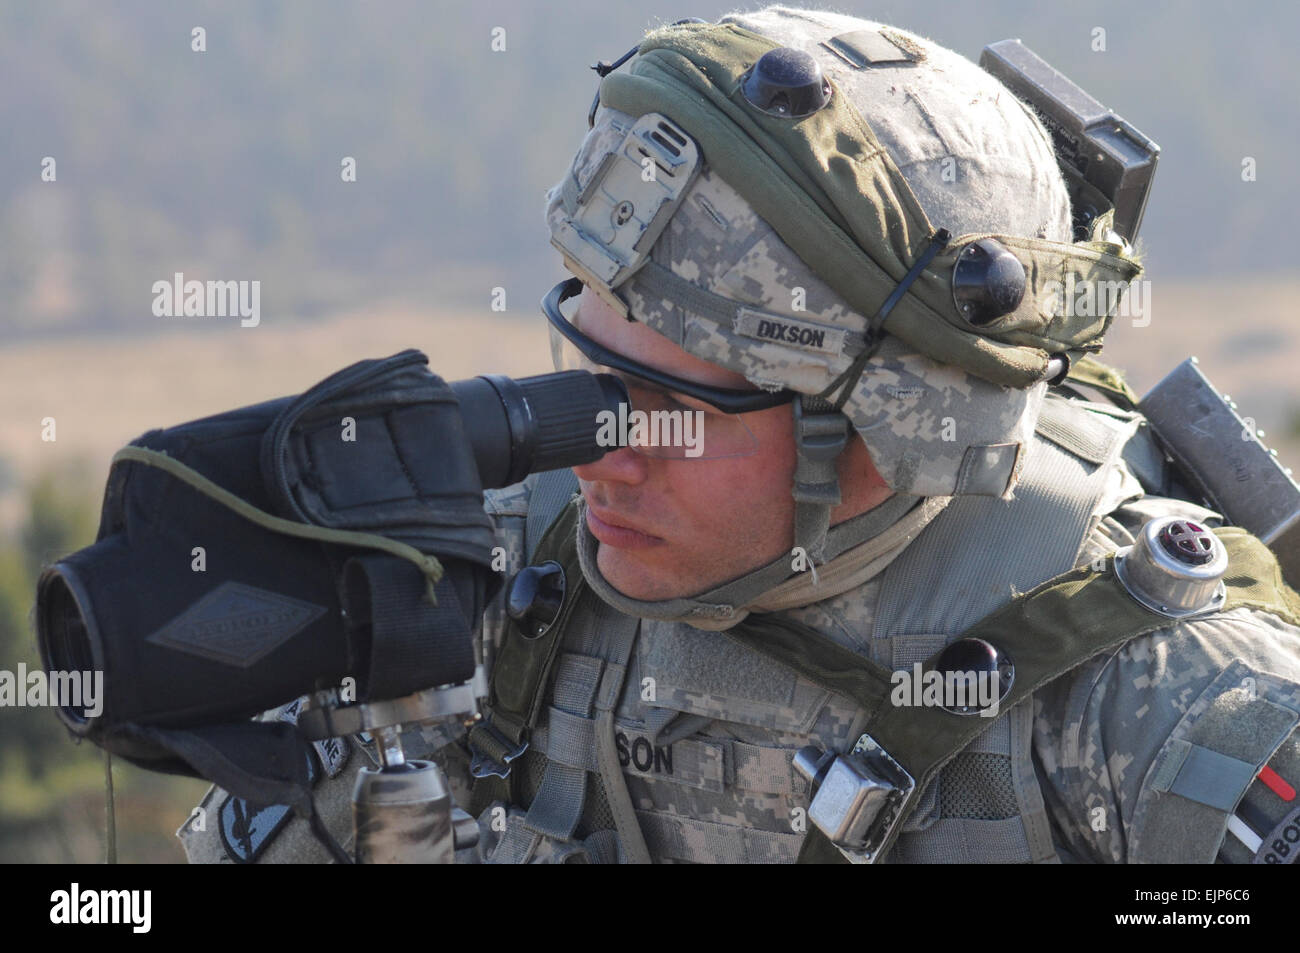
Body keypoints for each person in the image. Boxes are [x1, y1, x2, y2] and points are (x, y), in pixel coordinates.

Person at [179, 6, 1300, 864]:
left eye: (666, 409)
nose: (592, 454)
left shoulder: (1161, 700)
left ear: (881, 422)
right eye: (587, 366)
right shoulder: (503, 588)